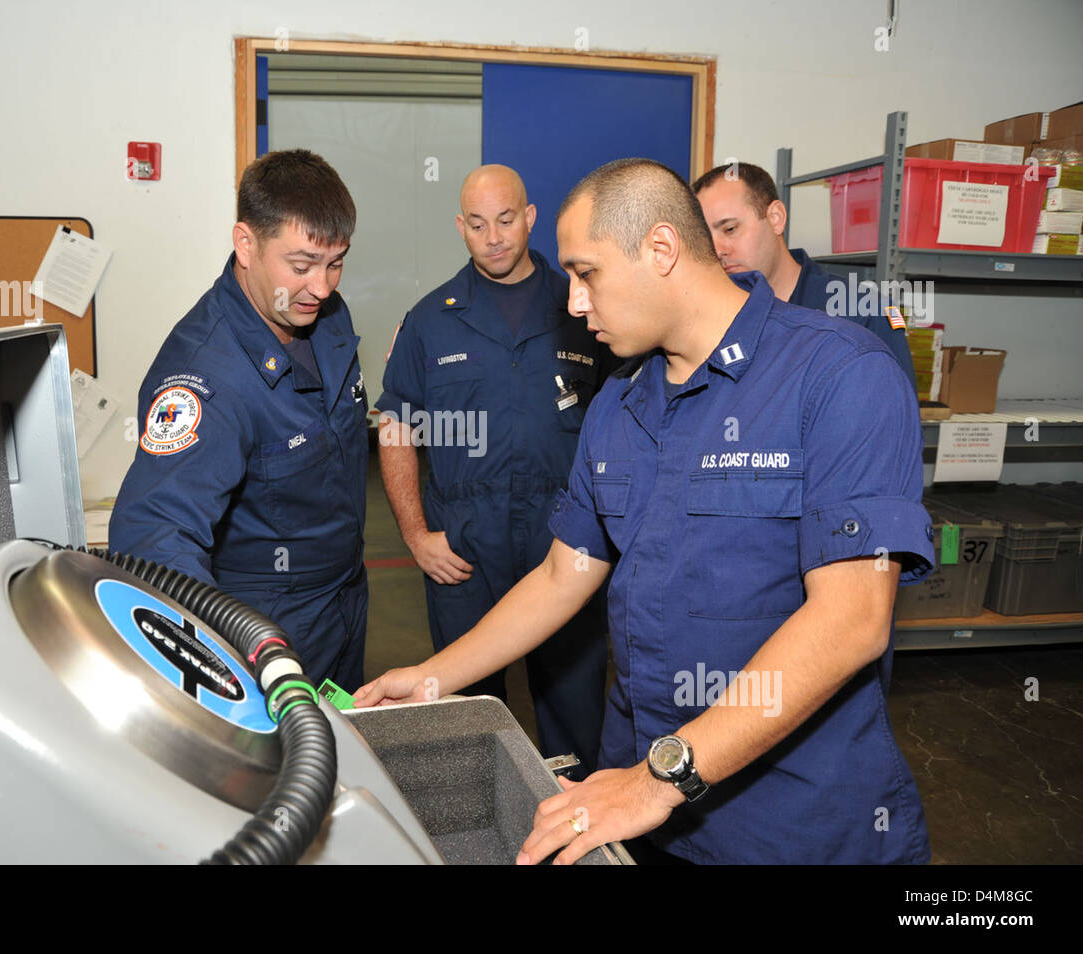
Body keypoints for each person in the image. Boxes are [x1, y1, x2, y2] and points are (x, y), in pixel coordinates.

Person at [356, 158, 935, 865]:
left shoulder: (839, 374)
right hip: (645, 811)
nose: (573, 302)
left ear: (660, 250)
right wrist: (434, 677)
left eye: (586, 272)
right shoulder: (618, 408)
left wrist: (664, 776)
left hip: (794, 822)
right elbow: (562, 576)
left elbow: (851, 621)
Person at [374, 165, 612, 773]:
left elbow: (628, 417)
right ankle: (481, 829)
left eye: (506, 220)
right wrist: (415, 536)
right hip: (464, 546)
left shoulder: (582, 308)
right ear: (461, 228)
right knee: (467, 713)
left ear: (530, 217)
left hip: (564, 538)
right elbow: (396, 428)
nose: (494, 237)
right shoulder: (431, 319)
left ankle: (581, 830)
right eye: (477, 225)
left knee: (575, 710)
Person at [109, 149, 369, 690]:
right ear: (245, 244)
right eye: (300, 266)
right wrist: (229, 651)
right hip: (264, 624)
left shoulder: (327, 317)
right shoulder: (205, 376)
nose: (321, 287)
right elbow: (154, 538)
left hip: (345, 599)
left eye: (336, 261)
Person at [692, 161, 916, 377]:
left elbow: (894, 409)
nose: (718, 250)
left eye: (730, 229)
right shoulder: (705, 316)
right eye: (705, 240)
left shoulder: (860, 311)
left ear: (775, 218)